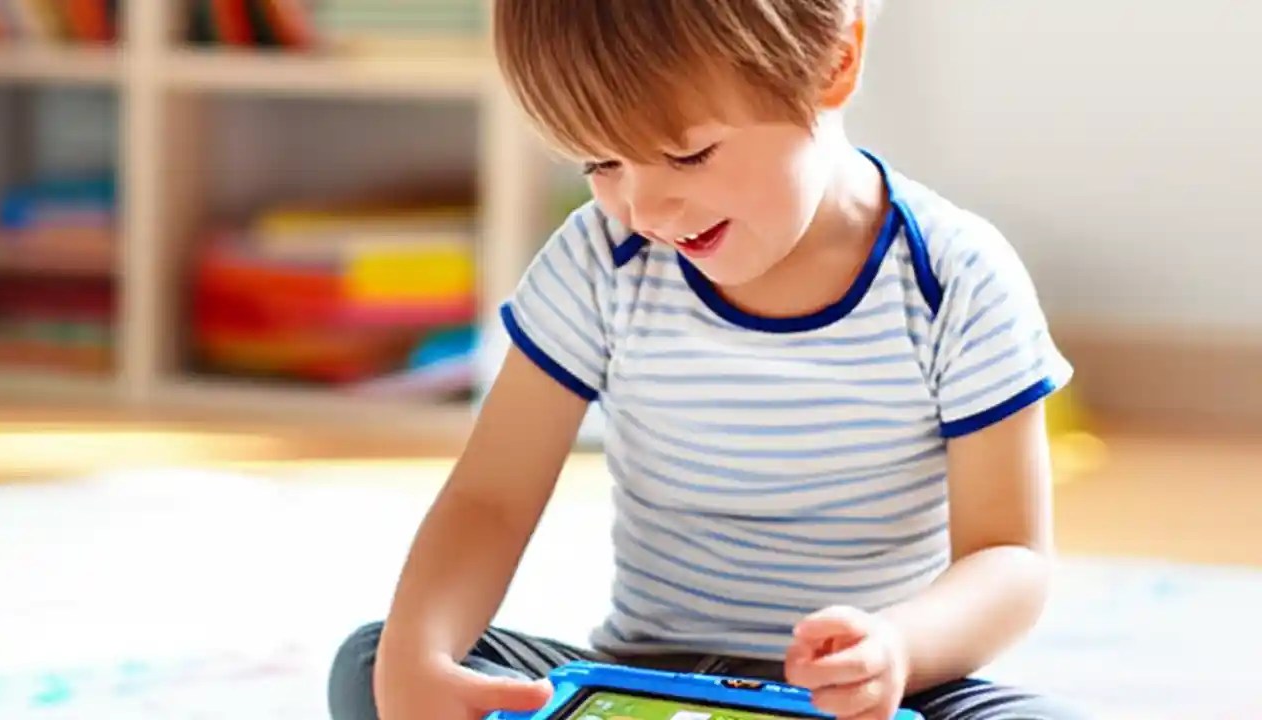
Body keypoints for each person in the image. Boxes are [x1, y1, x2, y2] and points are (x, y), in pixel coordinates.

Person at [328, 1, 1090, 718]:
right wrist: (419, 657)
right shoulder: (603, 262)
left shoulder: (954, 279)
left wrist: (895, 647)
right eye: (601, 164)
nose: (646, 209)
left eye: (687, 154)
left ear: (834, 62)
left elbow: (1008, 555)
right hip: (652, 683)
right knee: (375, 660)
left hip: (874, 698)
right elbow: (489, 498)